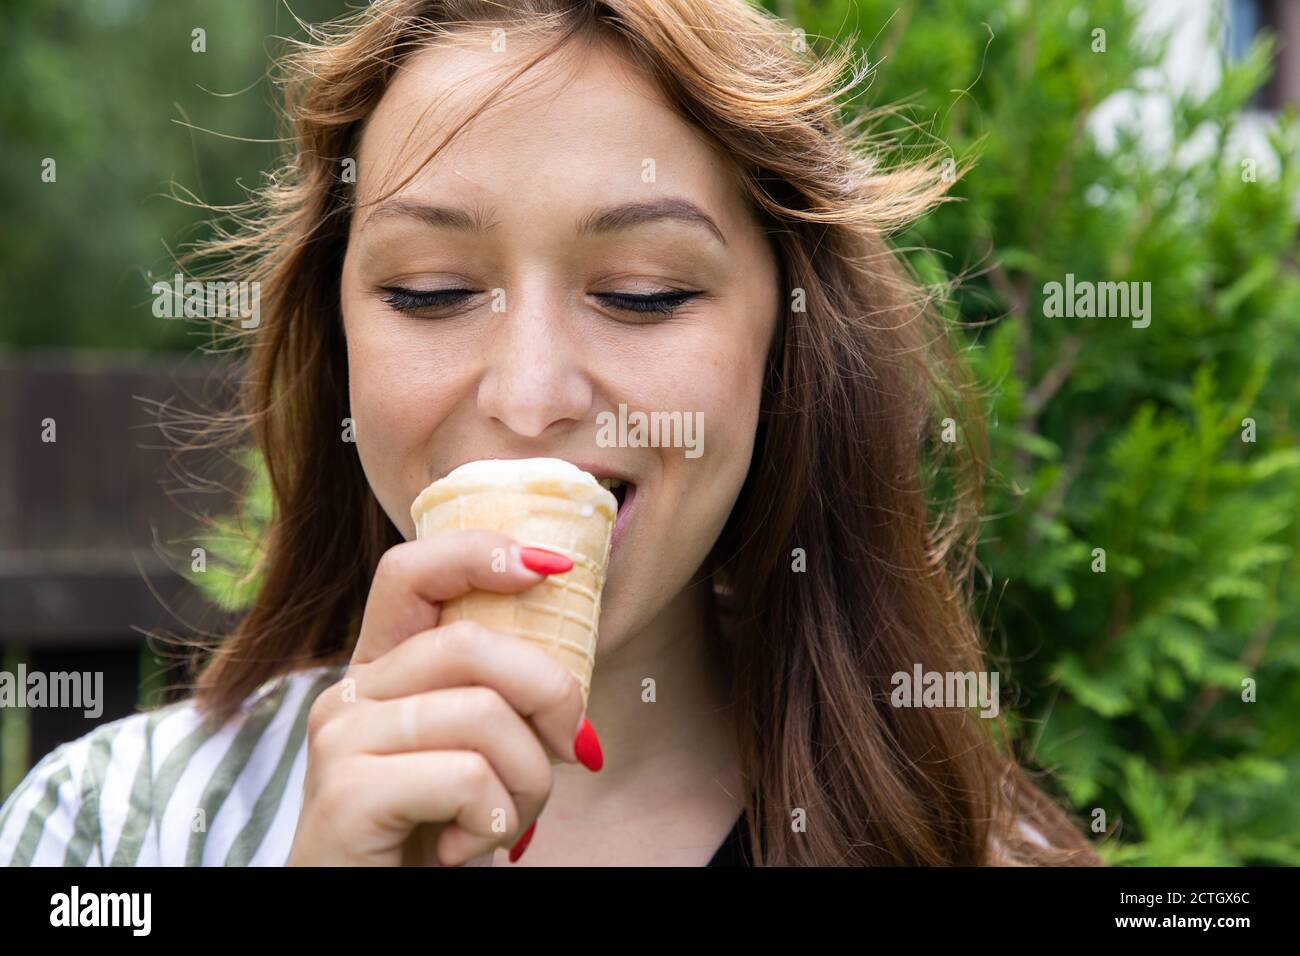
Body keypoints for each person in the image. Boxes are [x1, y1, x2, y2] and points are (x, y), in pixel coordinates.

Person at [0, 0, 1101, 867]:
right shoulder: (99, 827)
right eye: (430, 291)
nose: (529, 398)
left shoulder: (983, 853)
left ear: (789, 345)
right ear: (337, 340)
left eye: (641, 292)